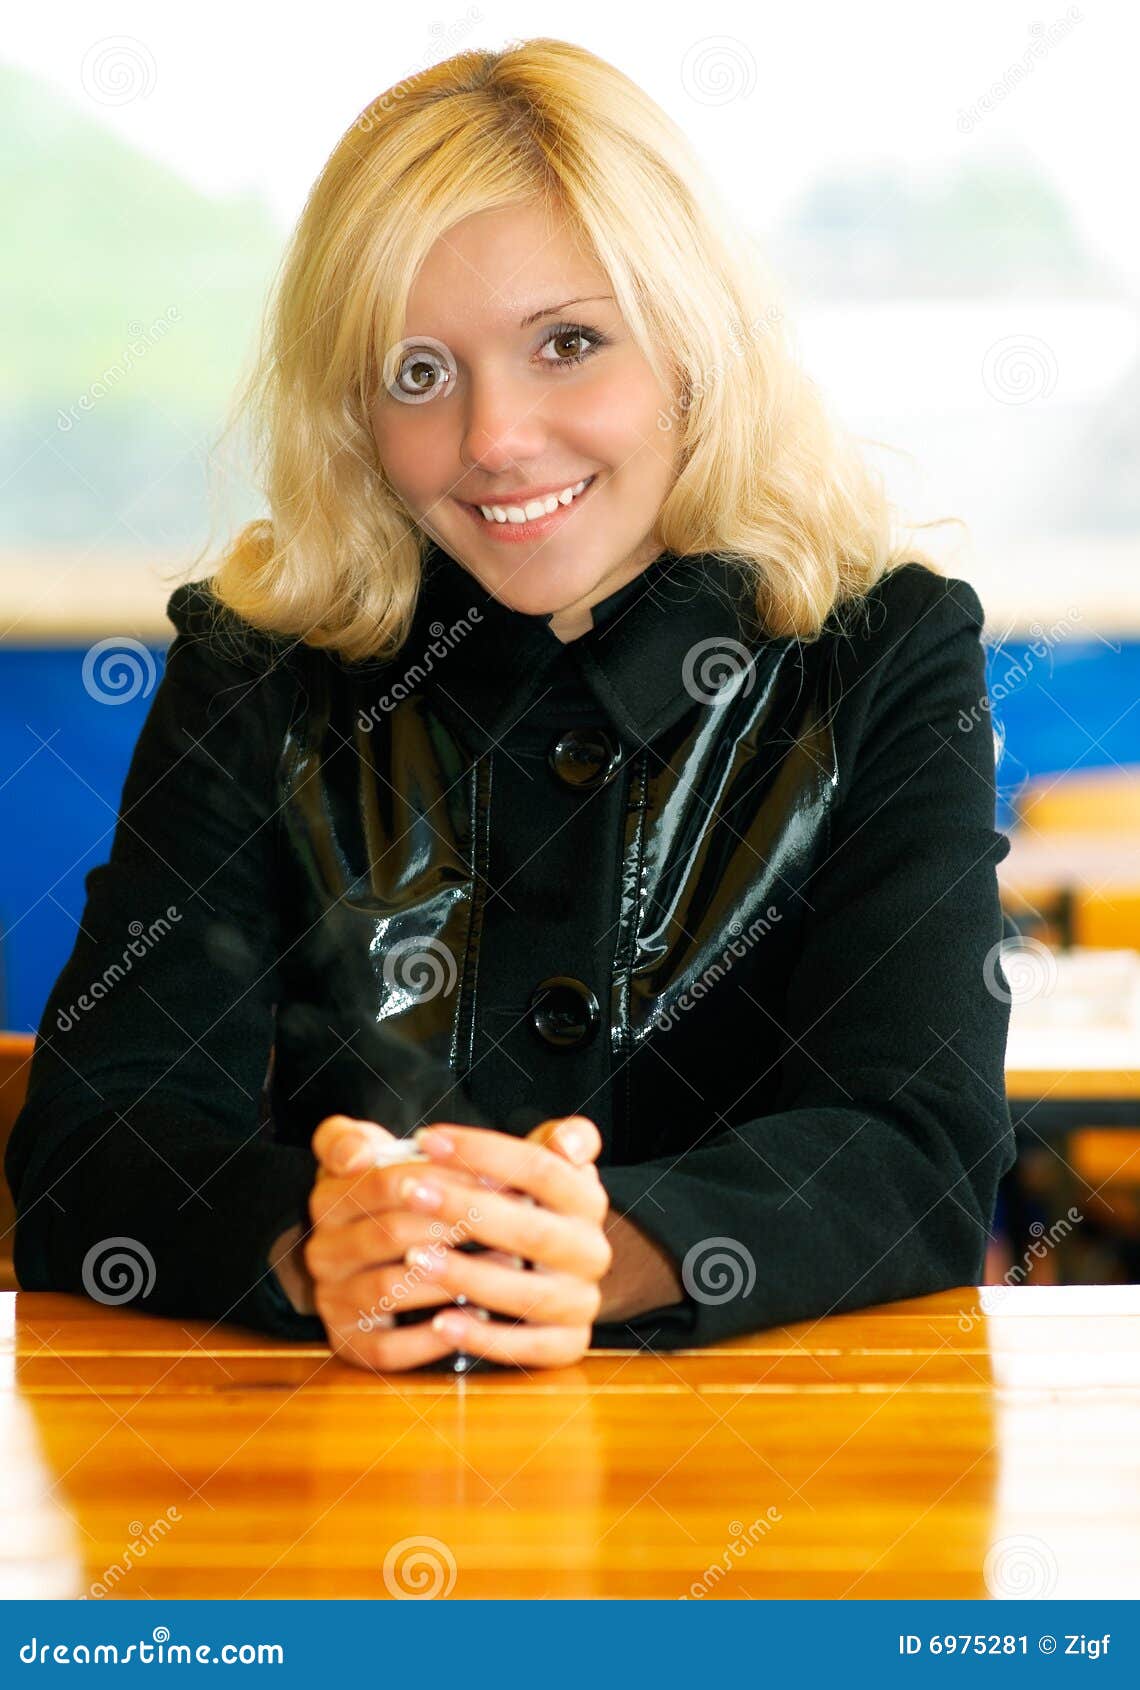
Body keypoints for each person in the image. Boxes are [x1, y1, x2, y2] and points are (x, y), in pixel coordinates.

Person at [5, 38, 1016, 1375]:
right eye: (418, 372)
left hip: (754, 1490)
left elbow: (921, 1144)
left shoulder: (880, 650)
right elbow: (93, 1137)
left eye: (569, 344)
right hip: (336, 1497)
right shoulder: (260, 664)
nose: (493, 437)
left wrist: (604, 1252)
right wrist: (324, 1246)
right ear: (354, 411)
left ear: (691, 350)